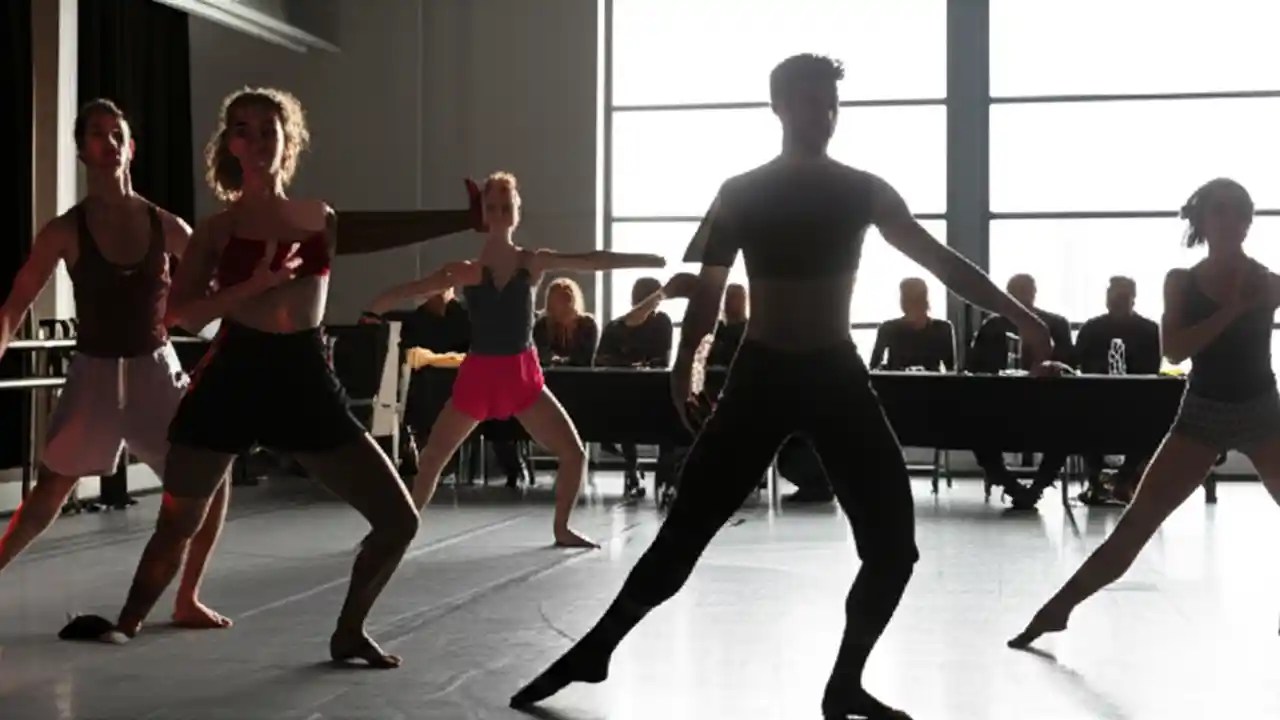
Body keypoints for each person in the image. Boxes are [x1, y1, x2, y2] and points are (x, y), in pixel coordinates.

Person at [510, 53, 1051, 719]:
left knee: (894, 550)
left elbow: (940, 262)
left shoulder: (863, 188)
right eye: (808, 101)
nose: (822, 114)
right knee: (683, 534)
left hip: (835, 374)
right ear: (778, 106)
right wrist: (689, 365)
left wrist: (1022, 316)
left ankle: (844, 683)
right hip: (762, 375)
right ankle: (597, 648)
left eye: (830, 103)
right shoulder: (741, 191)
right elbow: (706, 294)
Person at [105, 87, 483, 667]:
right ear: (227, 144)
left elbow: (385, 228)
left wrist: (463, 219)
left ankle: (349, 631)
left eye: (267, 129)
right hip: (234, 373)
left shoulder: (318, 219)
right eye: (242, 129)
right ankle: (125, 623)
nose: (255, 140)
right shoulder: (217, 230)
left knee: (398, 519)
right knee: (177, 523)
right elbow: (179, 313)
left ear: (288, 140)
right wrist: (252, 286)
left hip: (302, 375)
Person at [1009, 178, 1280, 650]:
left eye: (1239, 212)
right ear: (1204, 220)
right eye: (1221, 211)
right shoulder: (1183, 281)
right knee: (1139, 521)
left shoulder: (1270, 283)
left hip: (1262, 409)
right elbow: (1174, 350)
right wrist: (1235, 308)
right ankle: (1058, 609)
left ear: (1248, 221)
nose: (1231, 221)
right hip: (1203, 412)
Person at [0, 99, 232, 628]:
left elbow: (215, 295)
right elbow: (15, 304)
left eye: (116, 134)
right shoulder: (64, 230)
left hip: (155, 369)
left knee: (212, 475)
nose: (108, 143)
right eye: (97, 135)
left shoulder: (166, 225)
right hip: (95, 376)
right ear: (82, 151)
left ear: (131, 148)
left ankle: (186, 596)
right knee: (49, 493)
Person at [365, 171, 664, 547]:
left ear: (516, 212)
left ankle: (562, 529)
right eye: (493, 206)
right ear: (485, 214)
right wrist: (375, 306)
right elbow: (417, 288)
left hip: (521, 377)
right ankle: (400, 529)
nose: (501, 212)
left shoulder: (533, 262)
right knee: (432, 458)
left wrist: (643, 260)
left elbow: (589, 260)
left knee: (573, 455)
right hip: (479, 377)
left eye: (507, 206)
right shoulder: (467, 270)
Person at [967, 273, 1075, 509]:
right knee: (977, 429)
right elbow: (974, 366)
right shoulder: (993, 326)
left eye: (1026, 291)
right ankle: (1015, 486)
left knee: (1067, 429)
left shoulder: (1056, 324)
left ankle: (1034, 487)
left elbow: (1070, 367)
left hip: (1046, 407)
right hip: (1002, 406)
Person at [1074, 276, 1162, 504]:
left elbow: (1152, 369)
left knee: (1152, 423)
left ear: (1133, 299)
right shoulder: (1091, 328)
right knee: (1081, 421)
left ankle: (1121, 480)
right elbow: (1076, 364)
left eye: (1122, 297)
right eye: (1114, 296)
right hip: (1096, 401)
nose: (1117, 302)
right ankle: (1100, 482)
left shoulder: (1150, 330)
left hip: (1135, 402)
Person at [596, 276, 676, 498]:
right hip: (627, 390)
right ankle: (639, 466)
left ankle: (644, 466)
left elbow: (662, 360)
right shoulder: (616, 326)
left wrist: (628, 362)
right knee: (626, 406)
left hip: (648, 389)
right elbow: (601, 359)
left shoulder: (660, 322)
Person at [868, 277, 955, 371]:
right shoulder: (942, 329)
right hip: (930, 384)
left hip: (895, 383)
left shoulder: (888, 328)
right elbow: (952, 370)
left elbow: (873, 368)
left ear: (903, 301)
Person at [533, 277, 598, 366]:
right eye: (558, 300)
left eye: (567, 299)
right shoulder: (542, 325)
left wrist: (559, 362)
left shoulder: (587, 324)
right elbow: (543, 357)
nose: (564, 305)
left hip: (580, 376)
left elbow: (584, 359)